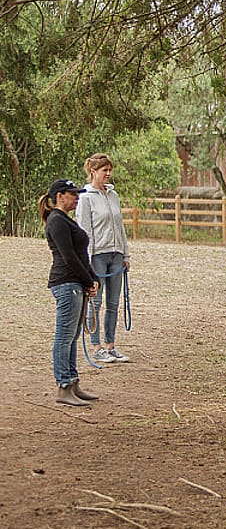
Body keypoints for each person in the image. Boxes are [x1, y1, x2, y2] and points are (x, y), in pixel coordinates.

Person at [40, 179, 101, 407]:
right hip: (66, 283)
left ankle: (72, 381)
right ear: (59, 196)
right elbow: (69, 257)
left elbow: (80, 255)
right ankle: (63, 385)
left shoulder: (65, 220)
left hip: (74, 282)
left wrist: (92, 278)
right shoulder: (57, 221)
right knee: (64, 337)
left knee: (72, 337)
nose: (76, 198)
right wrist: (88, 279)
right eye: (72, 194)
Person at [76, 153, 132, 363]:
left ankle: (110, 345)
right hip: (97, 255)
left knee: (114, 302)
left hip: (116, 255)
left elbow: (120, 226)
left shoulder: (113, 195)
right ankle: (96, 346)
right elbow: (84, 231)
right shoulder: (85, 197)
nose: (108, 174)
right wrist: (86, 261)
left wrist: (125, 254)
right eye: (104, 170)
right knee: (95, 302)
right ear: (93, 171)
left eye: (109, 170)